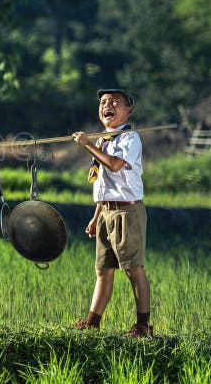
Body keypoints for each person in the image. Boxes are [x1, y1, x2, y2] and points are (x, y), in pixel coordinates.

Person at [70, 88, 152, 337]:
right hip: (106, 211)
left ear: (128, 110)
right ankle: (92, 323)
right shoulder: (102, 141)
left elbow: (114, 165)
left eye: (115, 102)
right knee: (103, 270)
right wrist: (96, 217)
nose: (108, 105)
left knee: (132, 268)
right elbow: (104, 184)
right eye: (104, 102)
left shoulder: (130, 138)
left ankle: (143, 326)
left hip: (127, 212)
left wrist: (87, 145)